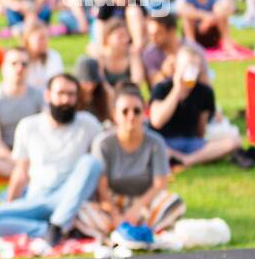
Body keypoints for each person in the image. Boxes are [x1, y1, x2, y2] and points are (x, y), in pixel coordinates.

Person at [0, 73, 103, 245]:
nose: (65, 100)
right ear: (47, 95)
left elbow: (101, 166)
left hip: (71, 197)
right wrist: (9, 204)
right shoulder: (28, 126)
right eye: (60, 94)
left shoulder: (88, 124)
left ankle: (59, 224)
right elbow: (21, 172)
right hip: (37, 198)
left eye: (71, 95)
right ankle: (47, 230)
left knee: (90, 163)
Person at [75, 86, 185, 243]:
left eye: (137, 111)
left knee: (174, 203)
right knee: (81, 211)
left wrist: (137, 207)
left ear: (144, 112)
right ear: (114, 114)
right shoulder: (103, 143)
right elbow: (102, 188)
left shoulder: (156, 142)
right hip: (112, 202)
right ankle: (131, 230)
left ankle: (128, 231)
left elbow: (160, 183)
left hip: (144, 201)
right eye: (125, 111)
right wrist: (115, 214)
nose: (131, 116)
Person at [148, 46, 243, 167]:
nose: (190, 71)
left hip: (190, 143)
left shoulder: (204, 92)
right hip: (162, 142)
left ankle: (186, 160)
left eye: (194, 67)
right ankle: (172, 156)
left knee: (234, 141)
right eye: (186, 66)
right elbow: (156, 121)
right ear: (177, 66)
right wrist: (177, 91)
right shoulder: (162, 88)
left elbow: (200, 132)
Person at [0, 47, 44, 178]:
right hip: (5, 155)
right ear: (3, 68)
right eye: (14, 63)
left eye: (24, 64)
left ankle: (24, 175)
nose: (19, 68)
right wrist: (18, 162)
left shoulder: (38, 96)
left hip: (33, 153)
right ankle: (29, 175)